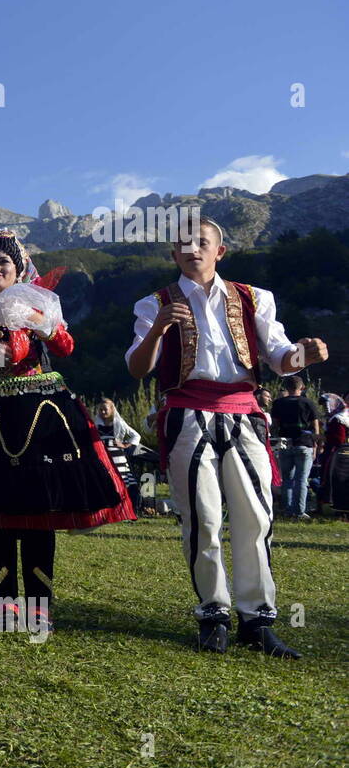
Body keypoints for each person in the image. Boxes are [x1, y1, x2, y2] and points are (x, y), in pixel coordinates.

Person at [126, 217, 327, 658]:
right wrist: (159, 327)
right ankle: (213, 614)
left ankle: (257, 619)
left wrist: (303, 356)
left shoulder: (255, 298)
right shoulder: (153, 304)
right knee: (203, 519)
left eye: (203, 242)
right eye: (183, 243)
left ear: (220, 251)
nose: (192, 248)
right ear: (173, 255)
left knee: (256, 517)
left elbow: (279, 357)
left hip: (244, 412)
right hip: (185, 413)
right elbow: (138, 368)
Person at [0, 230, 135, 631]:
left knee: (39, 508)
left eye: (3, 262)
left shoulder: (41, 303)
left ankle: (39, 605)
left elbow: (66, 346)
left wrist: (41, 323)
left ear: (18, 267)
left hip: (37, 411)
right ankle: (4, 604)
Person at [270, 375, 320, 520]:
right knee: (301, 479)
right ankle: (299, 511)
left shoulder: (278, 403)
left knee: (286, 479)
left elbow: (275, 425)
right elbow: (315, 426)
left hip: (285, 444)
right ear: (302, 387)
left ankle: (287, 509)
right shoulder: (308, 403)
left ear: (286, 387)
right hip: (304, 444)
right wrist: (316, 445)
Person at [93, 396, 143, 515]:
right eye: (101, 409)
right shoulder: (96, 424)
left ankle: (131, 509)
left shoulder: (119, 423)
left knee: (127, 482)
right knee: (105, 482)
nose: (103, 412)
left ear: (112, 409)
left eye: (105, 409)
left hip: (119, 458)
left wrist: (127, 446)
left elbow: (136, 436)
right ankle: (108, 510)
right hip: (103, 458)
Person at [318, 393, 348, 513]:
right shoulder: (337, 417)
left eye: (327, 405)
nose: (326, 408)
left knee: (332, 480)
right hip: (338, 453)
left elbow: (338, 440)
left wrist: (321, 437)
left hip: (337, 455)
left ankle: (333, 507)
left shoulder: (339, 418)